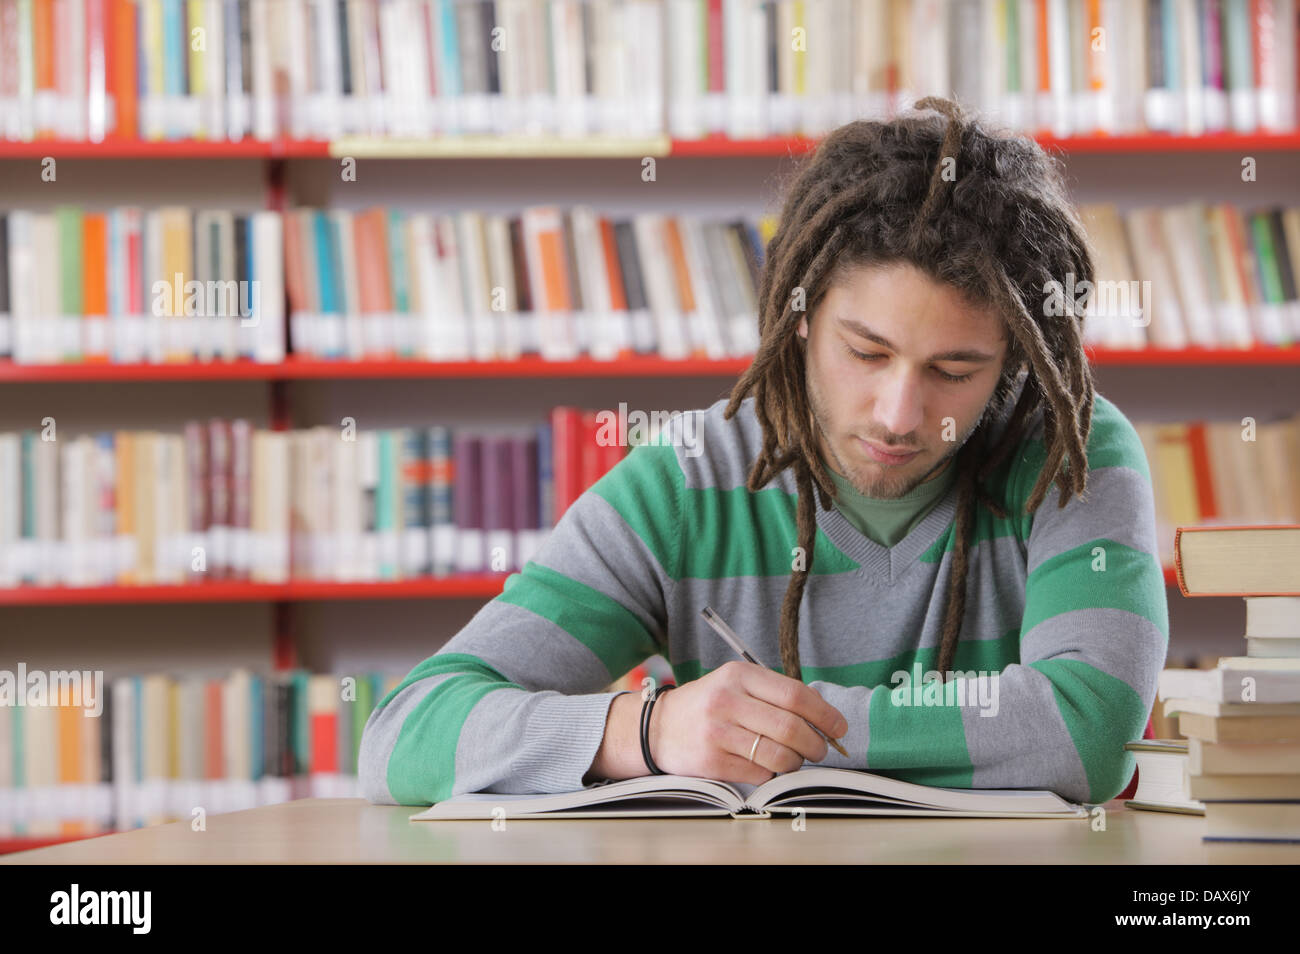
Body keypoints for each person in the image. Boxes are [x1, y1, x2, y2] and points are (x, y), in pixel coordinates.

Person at [358, 97, 1167, 808]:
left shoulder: (1072, 453)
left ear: (1015, 364)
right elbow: (402, 733)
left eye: (955, 370)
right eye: (865, 352)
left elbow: (1085, 727)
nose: (898, 413)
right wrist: (647, 732)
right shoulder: (683, 483)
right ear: (802, 315)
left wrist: (773, 735)